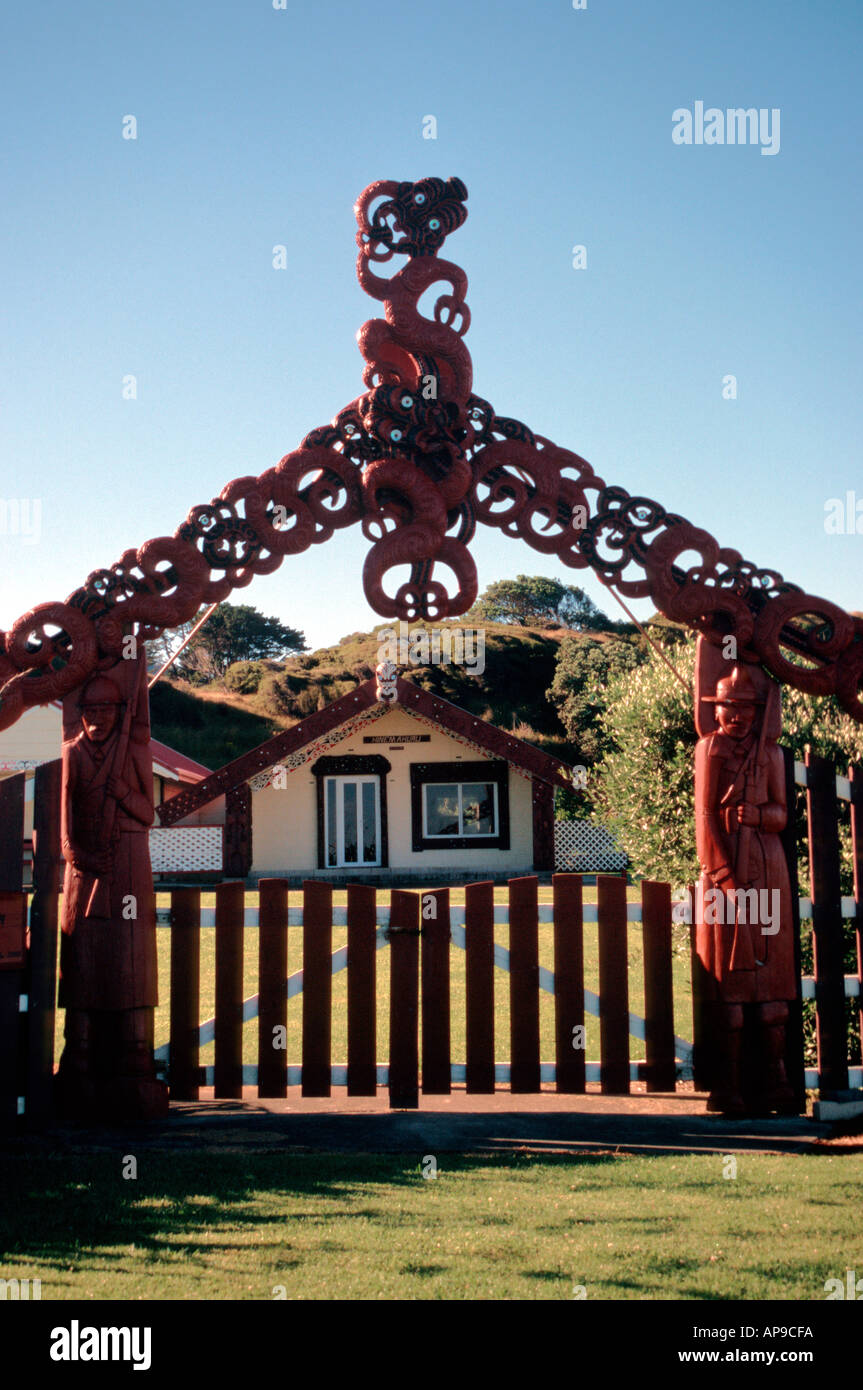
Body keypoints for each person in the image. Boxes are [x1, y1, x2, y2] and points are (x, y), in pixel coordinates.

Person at [57, 658, 166, 1121]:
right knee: (82, 964)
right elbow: (64, 823)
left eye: (106, 709)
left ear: (121, 710)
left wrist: (121, 792)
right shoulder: (73, 753)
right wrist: (80, 857)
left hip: (129, 865)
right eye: (90, 709)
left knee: (131, 961)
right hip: (86, 871)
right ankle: (77, 1058)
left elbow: (149, 814)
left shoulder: (135, 751)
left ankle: (134, 1056)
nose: (97, 718)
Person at [695, 662, 797, 1115]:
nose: (737, 717)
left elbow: (781, 813)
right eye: (729, 708)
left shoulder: (771, 755)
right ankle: (729, 1082)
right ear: (716, 711)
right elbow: (705, 818)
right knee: (730, 986)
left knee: (770, 980)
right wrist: (724, 877)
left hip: (768, 870)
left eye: (746, 710)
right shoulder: (711, 749)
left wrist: (758, 817)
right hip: (725, 877)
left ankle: (775, 1077)